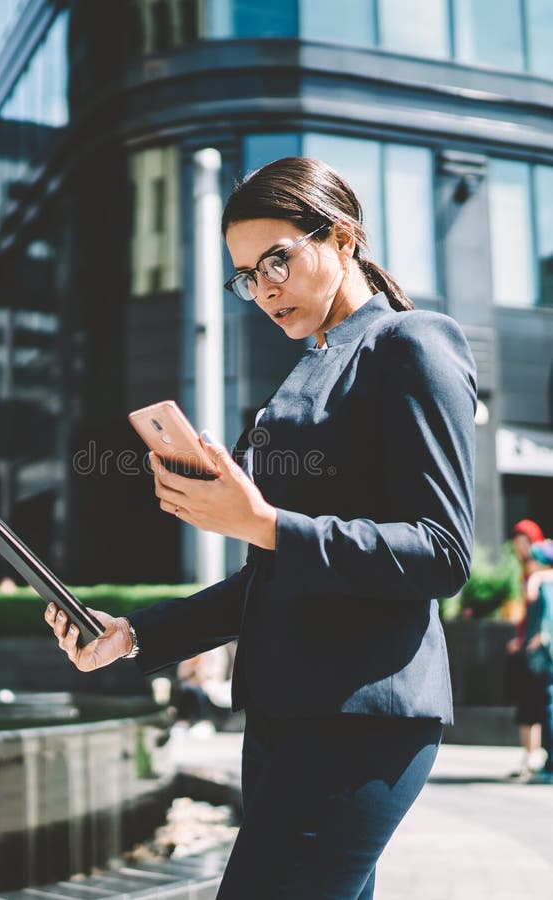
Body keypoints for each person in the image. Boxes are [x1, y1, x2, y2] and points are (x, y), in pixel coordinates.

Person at [45, 156, 476, 898]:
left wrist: (267, 521)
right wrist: (137, 635)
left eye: (277, 259)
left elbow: (443, 553)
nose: (263, 287)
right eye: (245, 275)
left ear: (342, 239)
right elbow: (269, 579)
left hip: (362, 718)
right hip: (285, 714)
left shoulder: (411, 344)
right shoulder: (312, 366)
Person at [505, 518, 547, 778]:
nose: (521, 548)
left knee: (537, 702)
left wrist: (538, 576)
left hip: (540, 646)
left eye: (525, 542)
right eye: (518, 543)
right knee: (528, 703)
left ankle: (535, 757)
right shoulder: (524, 569)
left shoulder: (543, 558)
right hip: (528, 644)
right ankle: (529, 755)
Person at [521, 540, 553, 782]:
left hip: (546, 656)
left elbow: (546, 616)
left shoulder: (543, 583)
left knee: (548, 705)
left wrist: (538, 638)